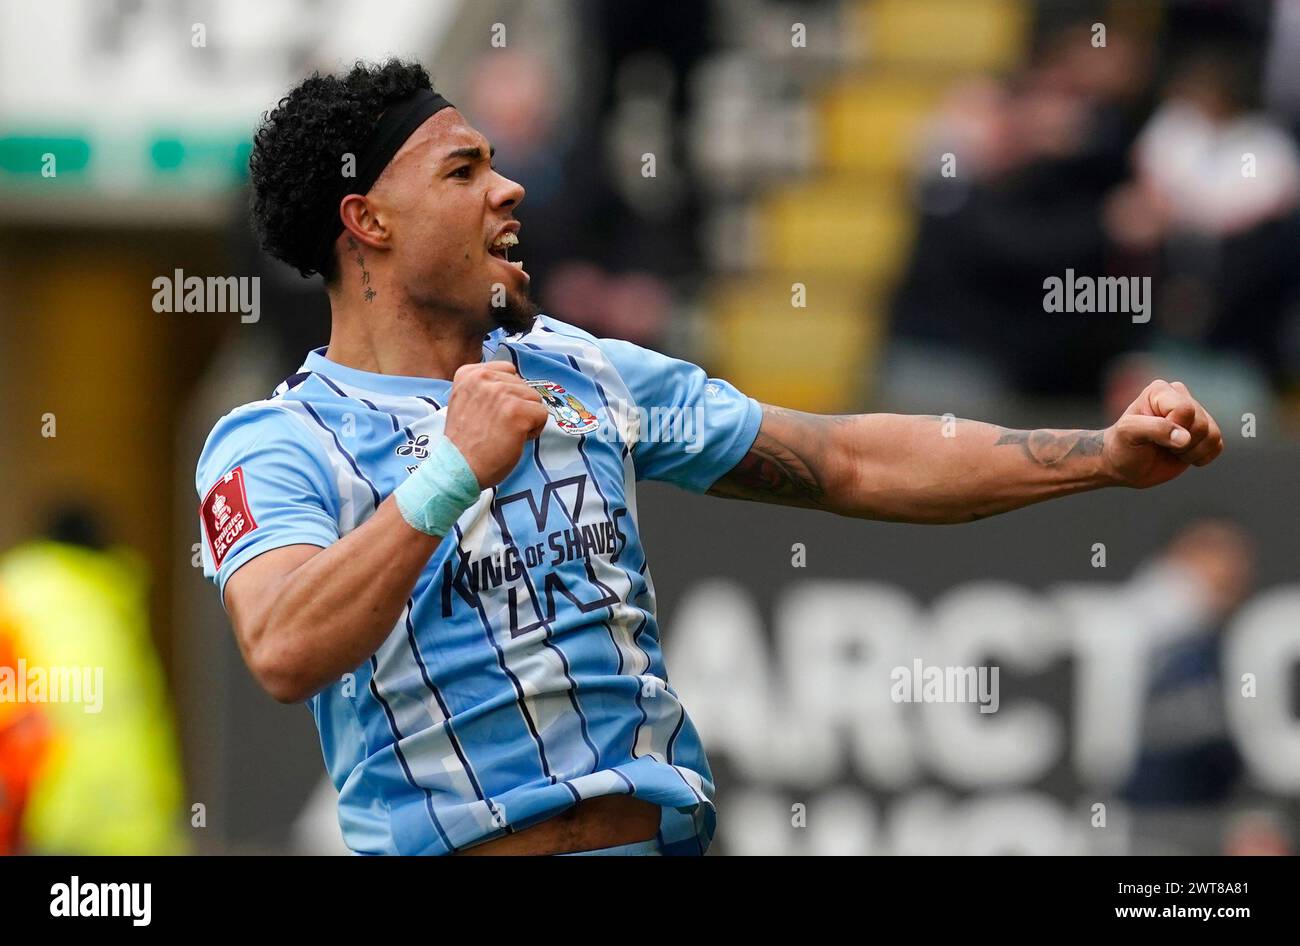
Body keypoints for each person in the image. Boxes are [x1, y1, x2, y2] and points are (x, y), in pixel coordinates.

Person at [197, 60, 1224, 856]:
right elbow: (285, 648)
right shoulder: (275, 443)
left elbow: (846, 461)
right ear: (365, 220)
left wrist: (1100, 455)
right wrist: (452, 468)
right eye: (463, 171)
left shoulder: (585, 374)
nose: (508, 188)